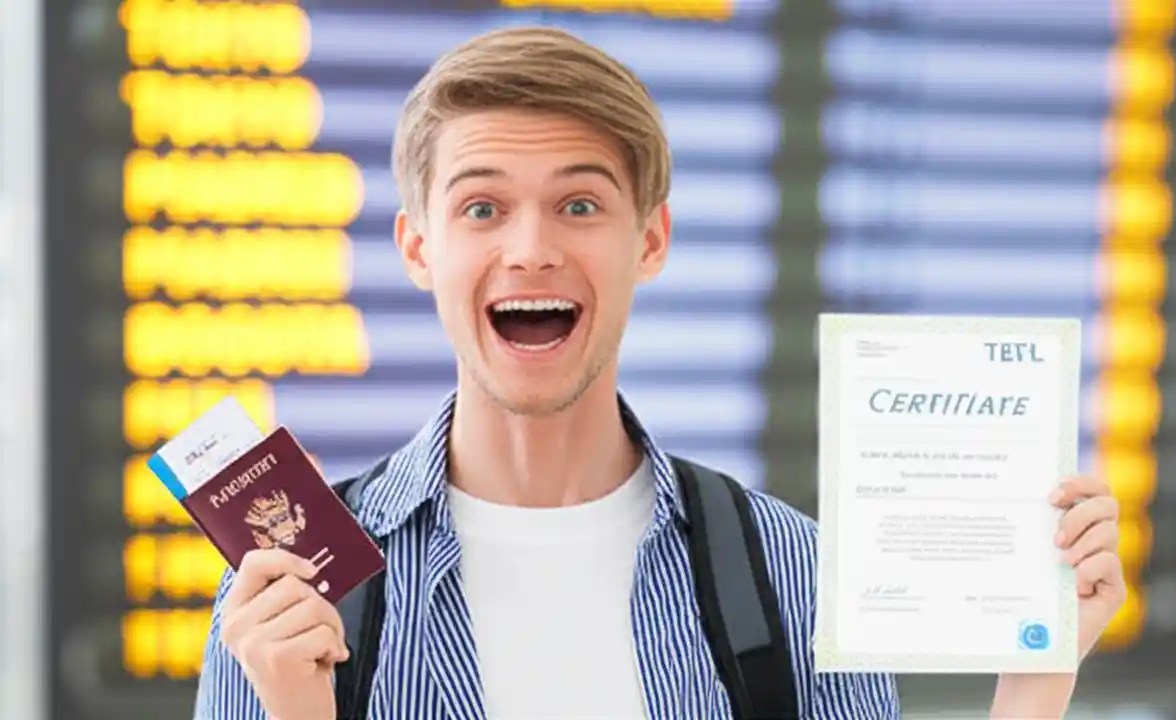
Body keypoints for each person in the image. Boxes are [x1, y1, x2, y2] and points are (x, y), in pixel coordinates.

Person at [193, 25, 1127, 720]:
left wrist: (1035, 676)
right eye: (482, 208)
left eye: (579, 203)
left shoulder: (791, 575)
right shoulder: (287, 598)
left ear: (650, 240)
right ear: (417, 248)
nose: (531, 249)